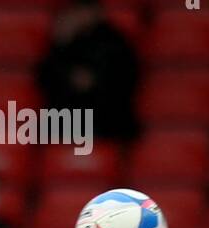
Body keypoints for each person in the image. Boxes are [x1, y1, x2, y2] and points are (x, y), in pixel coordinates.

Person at [36, 0, 141, 143]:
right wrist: (60, 45)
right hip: (67, 120)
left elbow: (122, 82)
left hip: (106, 121)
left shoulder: (115, 42)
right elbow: (45, 79)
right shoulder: (65, 43)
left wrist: (94, 81)